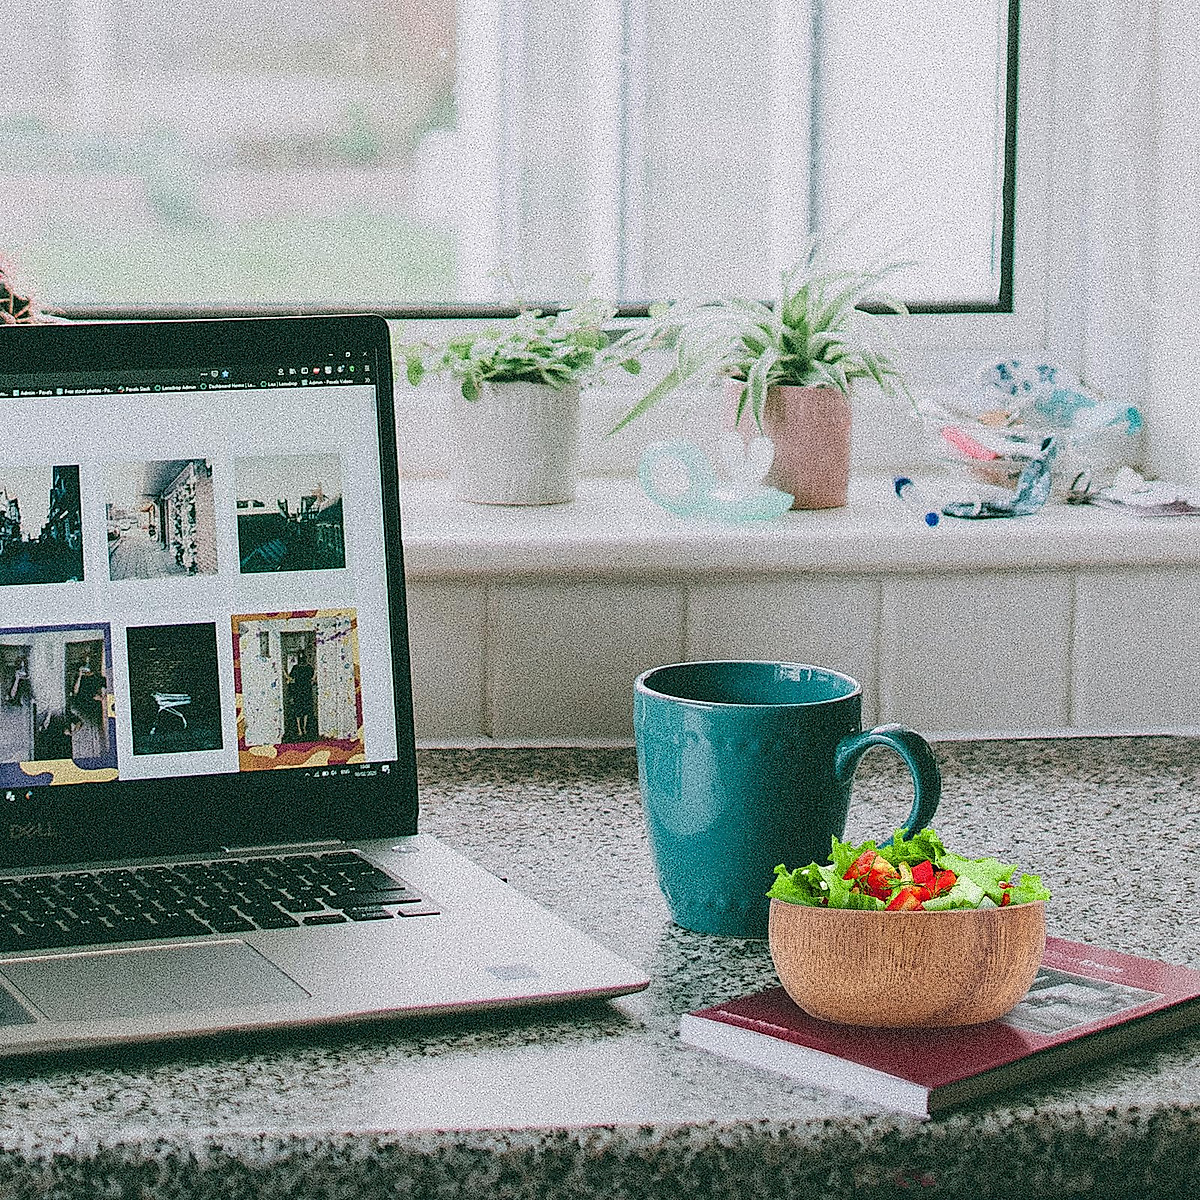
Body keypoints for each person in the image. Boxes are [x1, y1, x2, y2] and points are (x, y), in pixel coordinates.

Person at [284, 649, 316, 741]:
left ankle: (301, 729)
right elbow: (313, 679)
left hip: (300, 692)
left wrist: (284, 672)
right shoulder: (308, 667)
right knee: (304, 710)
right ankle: (302, 729)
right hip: (304, 692)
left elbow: (290, 679)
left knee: (301, 711)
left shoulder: (297, 668)